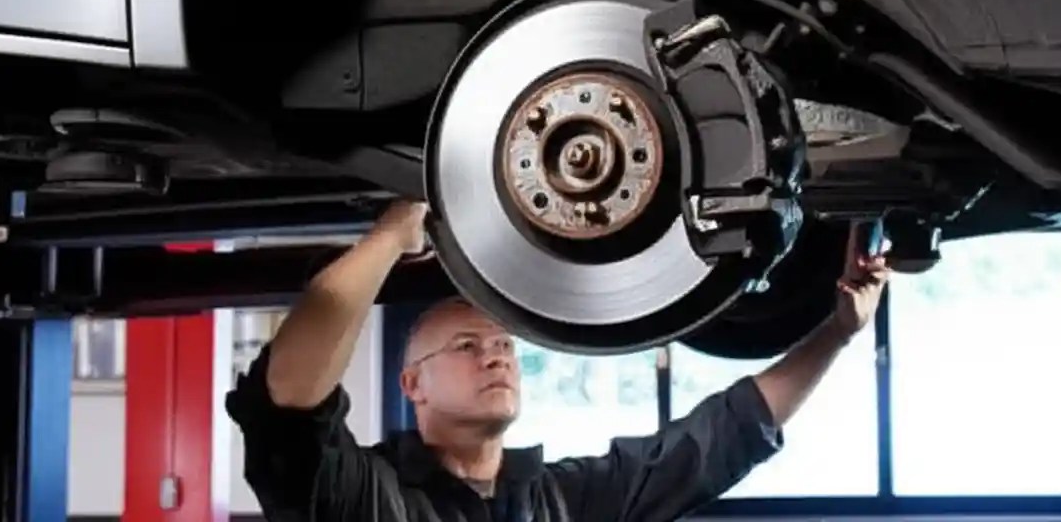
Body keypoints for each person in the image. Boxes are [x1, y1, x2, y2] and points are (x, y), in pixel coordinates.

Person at [226, 200, 889, 521]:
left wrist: (835, 333)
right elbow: (289, 398)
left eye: (504, 346)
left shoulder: (560, 498)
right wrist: (390, 235)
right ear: (412, 384)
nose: (496, 358)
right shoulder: (368, 497)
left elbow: (721, 438)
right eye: (467, 346)